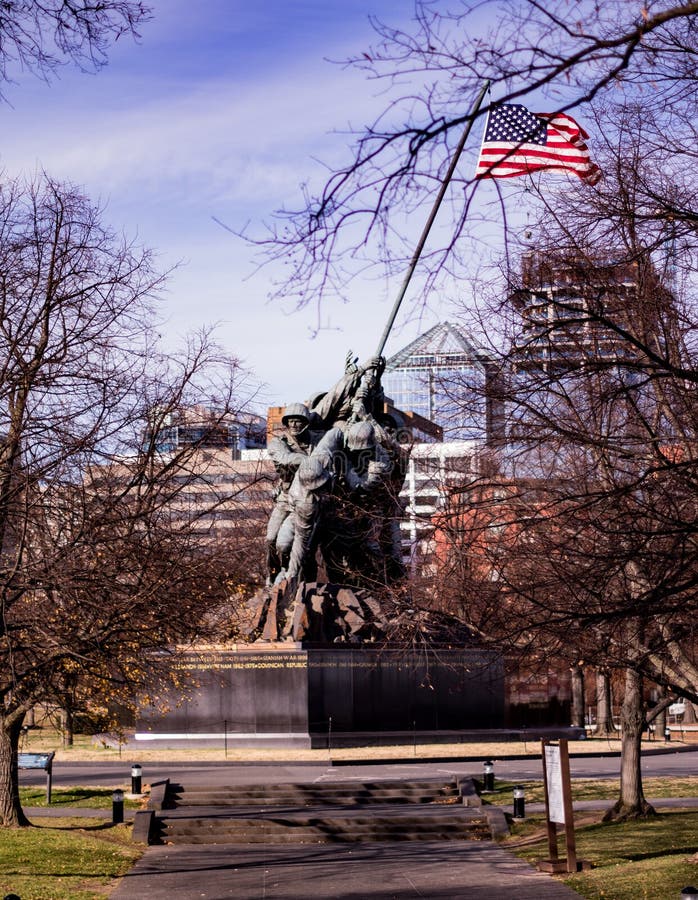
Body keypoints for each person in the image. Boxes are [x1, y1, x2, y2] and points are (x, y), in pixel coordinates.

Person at [265, 403, 323, 585]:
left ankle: (296, 576)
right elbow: (285, 459)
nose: (294, 425)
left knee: (302, 546)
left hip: (308, 500)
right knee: (270, 539)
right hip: (285, 499)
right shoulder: (279, 442)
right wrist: (311, 461)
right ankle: (273, 573)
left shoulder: (317, 441)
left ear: (306, 422)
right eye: (290, 421)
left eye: (298, 421)